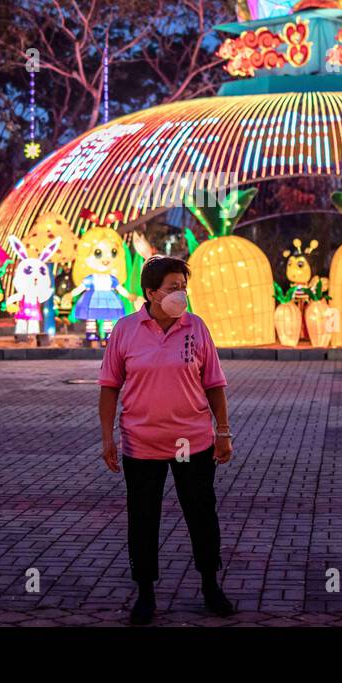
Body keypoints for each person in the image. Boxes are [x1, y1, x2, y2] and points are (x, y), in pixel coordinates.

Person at [98, 255, 235, 625]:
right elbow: (110, 386)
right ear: (151, 292)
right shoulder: (125, 330)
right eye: (173, 288)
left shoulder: (197, 327)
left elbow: (215, 384)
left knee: (201, 513)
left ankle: (210, 585)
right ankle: (145, 592)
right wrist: (108, 438)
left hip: (191, 442)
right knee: (143, 518)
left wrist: (222, 433)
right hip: (141, 443)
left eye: (183, 287)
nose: (181, 295)